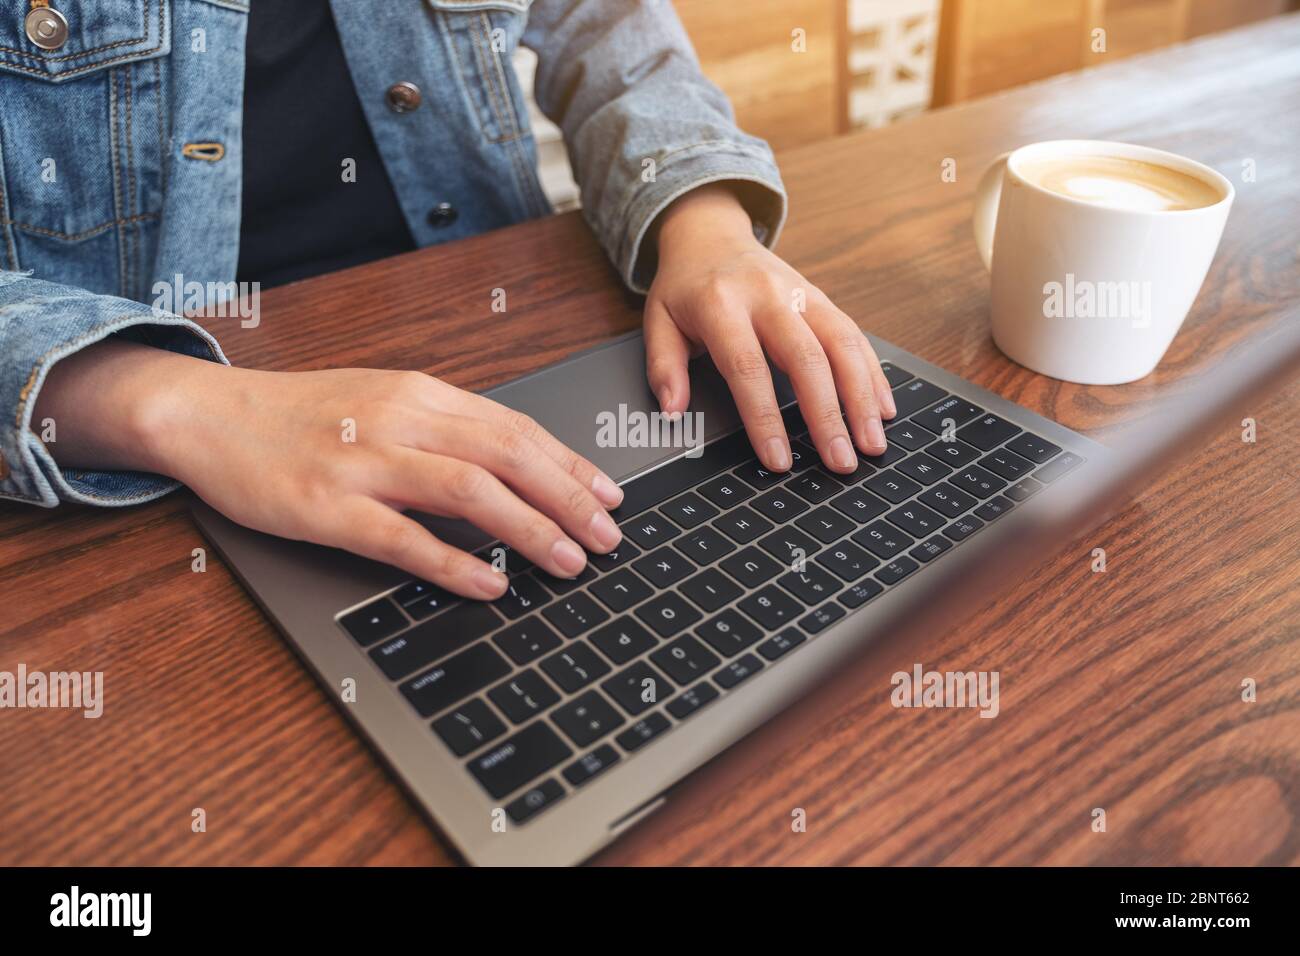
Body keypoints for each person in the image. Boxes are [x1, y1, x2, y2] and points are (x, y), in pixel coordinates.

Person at [0, 0, 894, 599]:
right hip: (123, 457)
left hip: (503, 333)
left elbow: (605, 25)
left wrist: (704, 224)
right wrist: (177, 409)